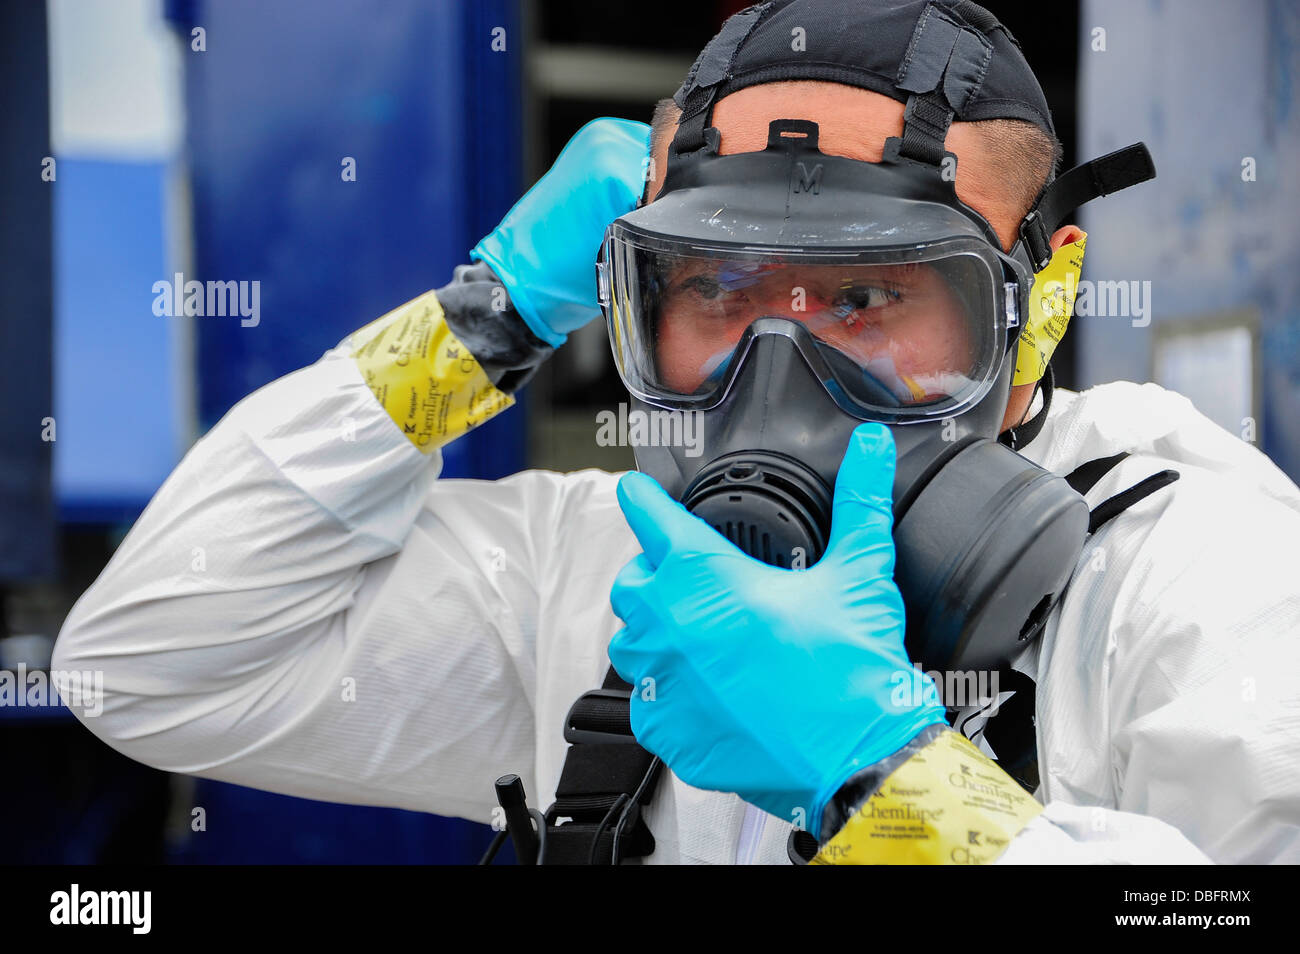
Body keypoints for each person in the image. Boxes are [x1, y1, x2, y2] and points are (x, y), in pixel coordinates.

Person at [54, 0, 1300, 864]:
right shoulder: (607, 578)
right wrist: (475, 326)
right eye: (715, 292)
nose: (781, 374)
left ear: (1039, 311)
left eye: (866, 298)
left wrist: (885, 782)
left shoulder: (1189, 573)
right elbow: (152, 661)